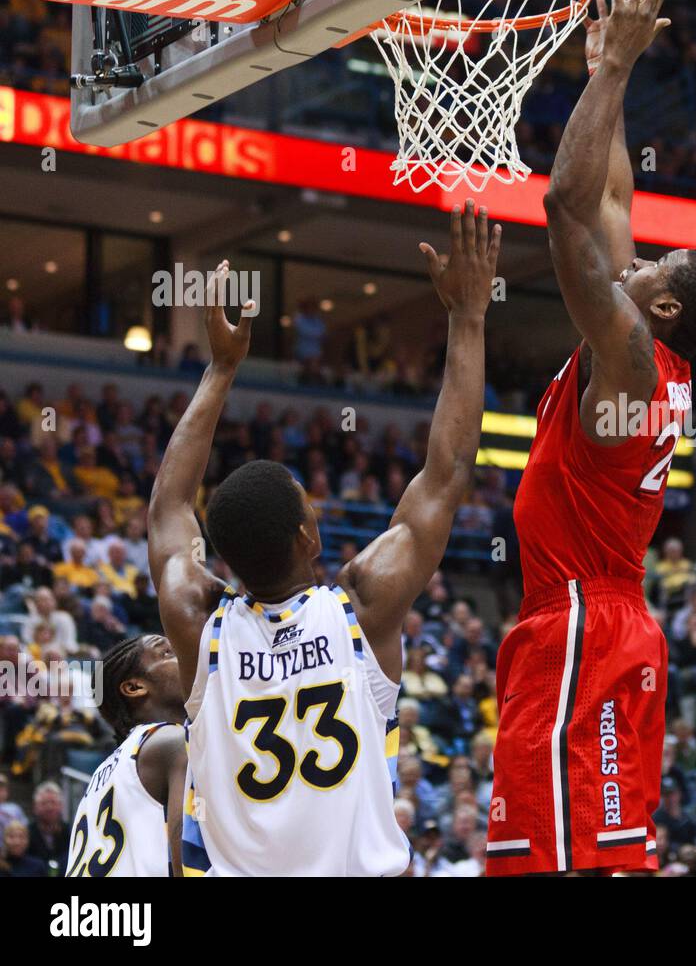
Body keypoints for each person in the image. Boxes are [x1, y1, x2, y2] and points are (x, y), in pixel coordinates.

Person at [148, 204, 500, 876]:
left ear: (223, 558)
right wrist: (468, 316)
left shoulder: (197, 622)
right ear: (311, 536)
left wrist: (219, 371)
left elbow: (166, 507)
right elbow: (449, 471)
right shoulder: (362, 607)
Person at [488, 0, 696, 877]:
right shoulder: (646, 358)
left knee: (556, 860)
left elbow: (565, 209)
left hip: (583, 619)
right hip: (602, 616)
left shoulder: (630, 353)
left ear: (663, 308)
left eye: (651, 267)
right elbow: (613, 204)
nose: (632, 260)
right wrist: (612, 71)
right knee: (598, 853)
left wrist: (609, 74)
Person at [66, 634, 189, 877]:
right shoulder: (170, 742)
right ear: (134, 687)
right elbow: (189, 853)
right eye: (167, 653)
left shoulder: (104, 771)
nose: (186, 655)